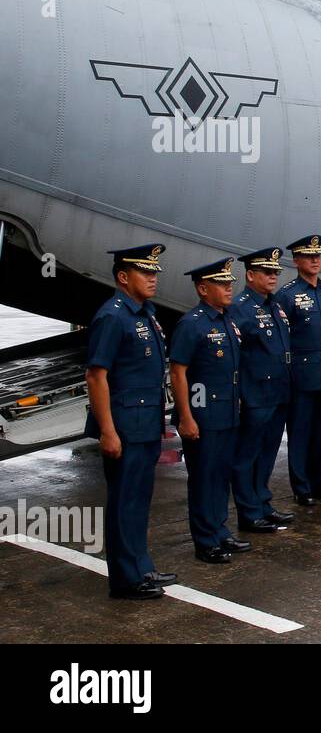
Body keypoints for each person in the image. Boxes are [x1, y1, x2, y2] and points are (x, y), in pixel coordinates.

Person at [85, 243, 173, 600]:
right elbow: (95, 376)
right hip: (124, 426)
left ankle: (142, 565)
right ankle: (125, 579)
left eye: (154, 273)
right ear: (124, 277)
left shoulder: (144, 313)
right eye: (145, 273)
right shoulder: (113, 316)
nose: (153, 279)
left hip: (146, 423)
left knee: (139, 499)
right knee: (124, 501)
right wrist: (107, 431)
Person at [170, 257, 249, 564]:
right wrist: (186, 417)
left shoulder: (227, 320)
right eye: (221, 283)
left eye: (230, 282)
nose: (229, 287)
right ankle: (205, 541)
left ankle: (220, 531)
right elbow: (178, 372)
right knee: (203, 478)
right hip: (203, 417)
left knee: (220, 476)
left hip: (227, 413)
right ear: (203, 289)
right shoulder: (192, 324)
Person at [276, 235, 321, 506]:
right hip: (302, 373)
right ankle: (301, 486)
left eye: (318, 256)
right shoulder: (287, 295)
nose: (315, 260)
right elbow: (282, 339)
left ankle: (319, 482)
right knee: (301, 430)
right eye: (309, 256)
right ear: (296, 261)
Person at [230, 247, 295, 534]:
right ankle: (249, 512)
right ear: (250, 275)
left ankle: (263, 503)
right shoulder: (241, 308)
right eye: (267, 272)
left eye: (275, 272)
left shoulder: (275, 305)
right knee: (248, 456)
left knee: (268, 453)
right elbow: (236, 354)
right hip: (255, 395)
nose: (273, 277)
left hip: (278, 392)